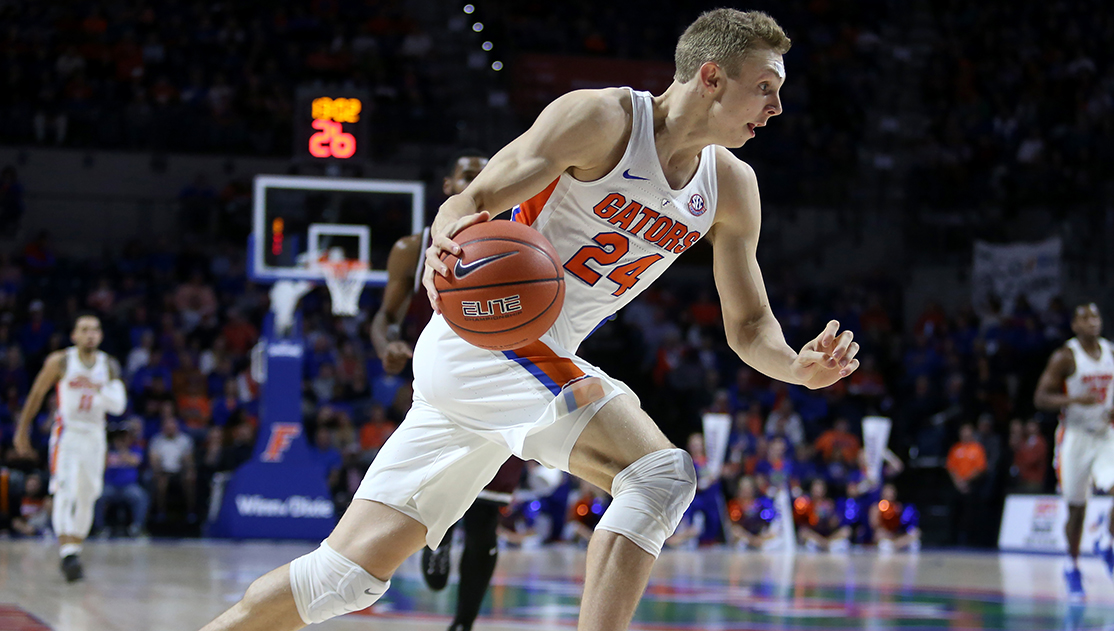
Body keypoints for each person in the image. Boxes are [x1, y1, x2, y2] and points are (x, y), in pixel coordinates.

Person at [200, 10, 860, 630]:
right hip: (493, 335)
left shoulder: (731, 186)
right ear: (711, 77)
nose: (776, 108)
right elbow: (476, 196)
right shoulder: (602, 119)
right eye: (765, 88)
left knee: (343, 578)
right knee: (659, 475)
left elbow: (749, 328)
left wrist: (796, 366)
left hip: (506, 363)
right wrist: (444, 247)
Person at [370, 149, 527, 631]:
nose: (477, 183)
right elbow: (384, 319)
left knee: (486, 524)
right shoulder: (410, 249)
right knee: (436, 504)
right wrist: (387, 345)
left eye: (486, 177)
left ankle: (464, 625)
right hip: (440, 388)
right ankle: (438, 538)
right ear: (447, 186)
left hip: (503, 388)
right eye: (467, 177)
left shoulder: (524, 246)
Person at [13, 313, 127, 582]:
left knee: (89, 494)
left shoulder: (108, 364)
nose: (90, 334)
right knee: (65, 489)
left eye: (95, 329)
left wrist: (105, 395)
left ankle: (74, 546)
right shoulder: (61, 361)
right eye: (84, 329)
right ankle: (67, 552)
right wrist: (21, 431)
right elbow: (36, 394)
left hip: (95, 434)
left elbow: (118, 404)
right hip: (68, 433)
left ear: (100, 335)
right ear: (74, 335)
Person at [1034, 303, 1114, 602]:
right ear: (1075, 326)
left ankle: (1106, 540)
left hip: (1105, 434)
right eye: (1085, 318)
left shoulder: (1110, 352)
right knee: (1077, 510)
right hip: (1075, 437)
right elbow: (1040, 397)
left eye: (1096, 316)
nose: (1092, 322)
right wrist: (1074, 399)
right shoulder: (1065, 357)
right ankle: (1072, 565)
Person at [869, 483, 920, 553]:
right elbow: (874, 524)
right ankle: (897, 545)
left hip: (896, 533)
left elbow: (902, 523)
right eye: (887, 492)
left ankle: (893, 546)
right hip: (884, 533)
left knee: (916, 533)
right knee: (879, 534)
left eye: (891, 492)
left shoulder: (898, 506)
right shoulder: (876, 507)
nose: (889, 494)